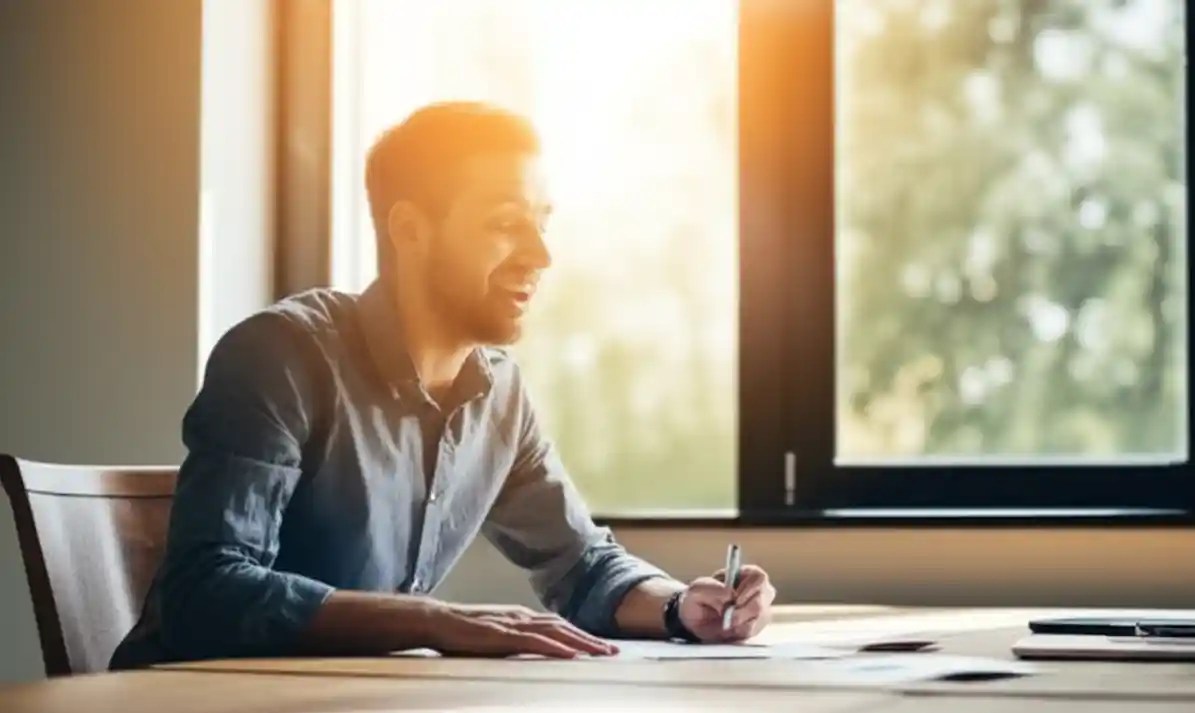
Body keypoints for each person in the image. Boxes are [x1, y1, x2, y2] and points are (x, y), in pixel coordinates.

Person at [111, 102, 776, 669]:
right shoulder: (279, 356)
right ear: (410, 230)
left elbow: (583, 566)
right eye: (505, 224)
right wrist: (433, 621)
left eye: (542, 223)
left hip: (348, 703)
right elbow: (207, 595)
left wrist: (680, 608)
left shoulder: (498, 393)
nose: (540, 256)